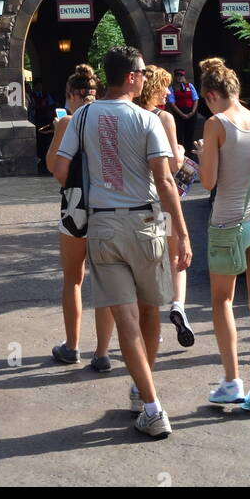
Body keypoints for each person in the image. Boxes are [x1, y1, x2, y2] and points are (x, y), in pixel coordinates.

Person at [53, 46, 192, 439]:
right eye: (143, 75)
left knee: (125, 317)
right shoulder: (148, 120)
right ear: (131, 77)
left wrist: (99, 177)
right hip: (146, 223)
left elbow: (61, 170)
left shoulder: (82, 116)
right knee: (149, 312)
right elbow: (166, 182)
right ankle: (140, 391)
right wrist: (181, 233)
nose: (146, 80)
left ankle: (150, 405)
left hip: (103, 227)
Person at [195, 56, 250, 418]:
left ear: (212, 95)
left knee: (223, 302)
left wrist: (201, 154)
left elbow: (208, 182)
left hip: (230, 222)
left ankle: (232, 382)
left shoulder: (216, 124)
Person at [45, 65, 115, 369]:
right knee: (106, 280)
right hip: (108, 205)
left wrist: (59, 126)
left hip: (75, 206)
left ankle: (72, 346)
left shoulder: (68, 122)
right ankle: (102, 353)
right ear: (95, 93)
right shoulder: (107, 119)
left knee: (73, 279)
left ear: (72, 95)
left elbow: (53, 167)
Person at [135, 66, 195, 348]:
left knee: (147, 264)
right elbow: (172, 165)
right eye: (165, 87)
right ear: (154, 88)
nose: (169, 92)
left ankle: (151, 330)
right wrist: (182, 154)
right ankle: (178, 306)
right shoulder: (164, 117)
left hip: (138, 199)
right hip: (164, 199)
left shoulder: (131, 114)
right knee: (175, 257)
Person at [167, 68, 200, 157]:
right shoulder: (172, 88)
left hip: (191, 113)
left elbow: (195, 98)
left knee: (190, 134)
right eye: (178, 75)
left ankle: (190, 154)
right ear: (175, 77)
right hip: (179, 114)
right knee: (180, 135)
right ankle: (181, 155)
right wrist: (182, 114)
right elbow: (172, 103)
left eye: (181, 75)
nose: (179, 77)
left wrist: (193, 111)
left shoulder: (189, 86)